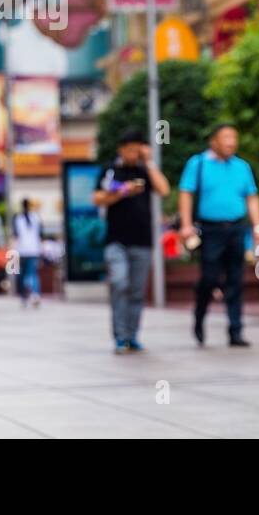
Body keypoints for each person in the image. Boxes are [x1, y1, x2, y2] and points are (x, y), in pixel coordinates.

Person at [178, 124, 259, 348]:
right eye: (226, 137)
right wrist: (186, 224)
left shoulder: (242, 167)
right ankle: (199, 317)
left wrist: (258, 228)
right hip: (210, 230)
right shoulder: (197, 164)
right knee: (209, 277)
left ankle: (235, 330)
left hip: (236, 228)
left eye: (234, 137)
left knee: (236, 279)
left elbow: (252, 197)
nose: (231, 142)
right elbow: (186, 193)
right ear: (213, 141)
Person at [93, 129, 171, 353]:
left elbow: (164, 189)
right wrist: (123, 192)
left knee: (137, 291)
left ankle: (131, 335)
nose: (133, 153)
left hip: (143, 240)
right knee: (119, 282)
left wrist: (149, 162)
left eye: (138, 149)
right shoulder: (111, 170)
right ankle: (119, 336)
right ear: (121, 149)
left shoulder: (144, 169)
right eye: (130, 149)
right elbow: (97, 197)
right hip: (116, 240)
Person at [12, 197, 43, 306]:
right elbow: (40, 234)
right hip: (34, 249)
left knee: (22, 275)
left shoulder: (17, 218)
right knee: (33, 273)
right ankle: (35, 294)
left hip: (21, 250)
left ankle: (24, 295)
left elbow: (15, 236)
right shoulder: (36, 217)